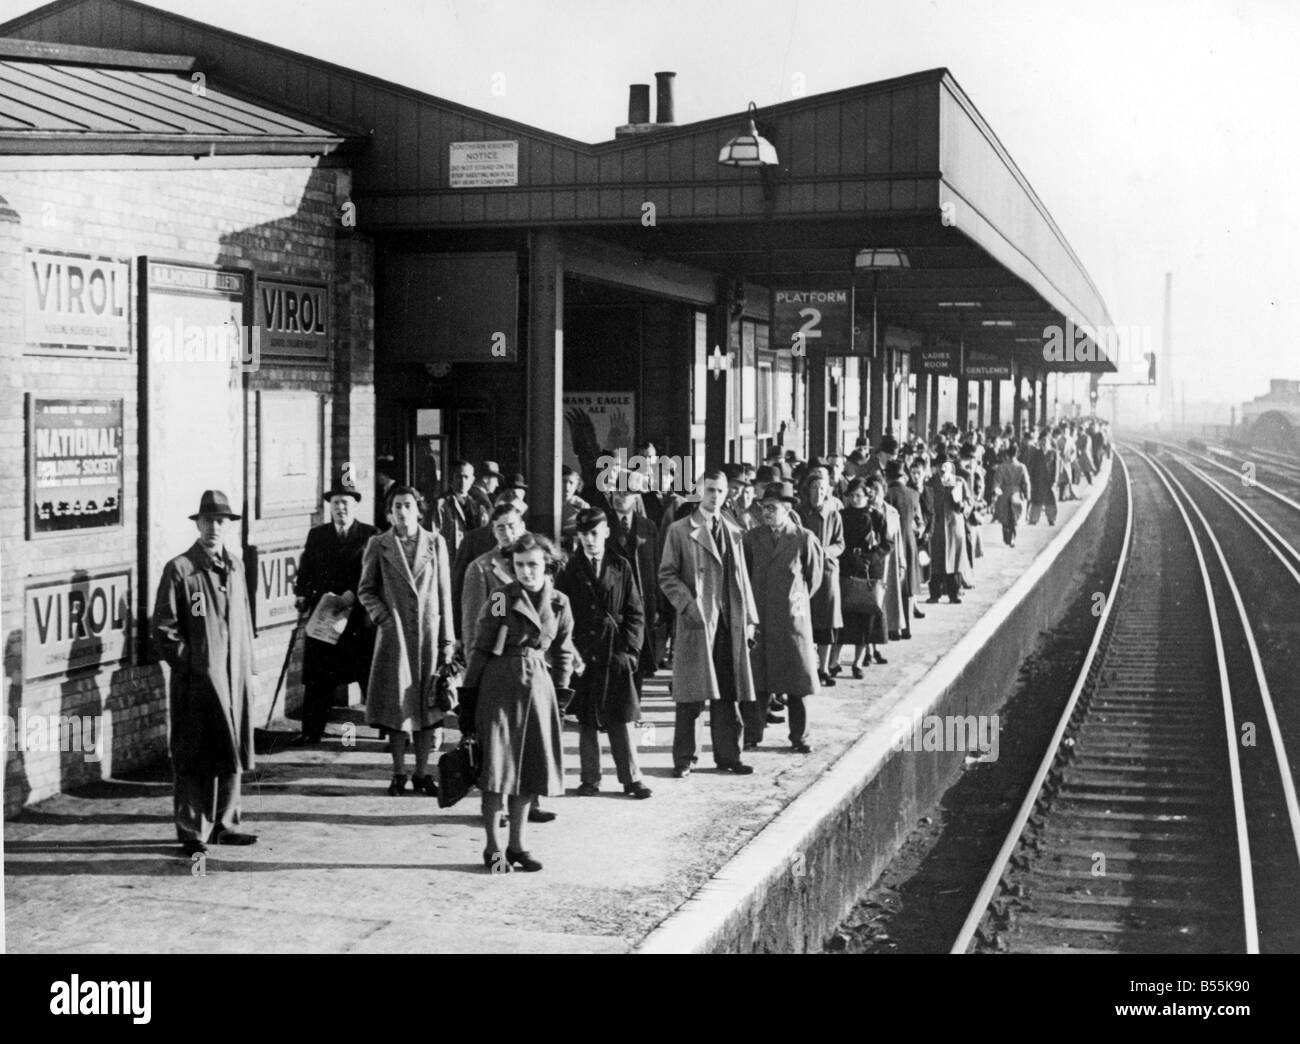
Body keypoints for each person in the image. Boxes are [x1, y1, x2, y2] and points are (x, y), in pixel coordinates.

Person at [152, 490, 259, 856]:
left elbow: (244, 618)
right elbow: (164, 629)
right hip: (197, 681)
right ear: (197, 524)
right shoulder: (181, 569)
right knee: (194, 753)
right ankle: (192, 829)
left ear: (228, 526)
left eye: (221, 521)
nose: (214, 527)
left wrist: (249, 666)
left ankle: (226, 823)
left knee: (231, 749)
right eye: (208, 520)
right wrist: (193, 664)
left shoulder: (236, 565)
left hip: (233, 676)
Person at [461, 533, 576, 873]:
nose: (527, 572)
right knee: (496, 772)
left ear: (547, 565)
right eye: (521, 565)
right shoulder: (500, 597)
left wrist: (561, 695)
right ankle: (493, 850)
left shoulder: (559, 602)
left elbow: (564, 652)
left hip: (539, 688)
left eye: (534, 565)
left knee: (528, 770)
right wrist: (468, 696)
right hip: (499, 685)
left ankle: (518, 846)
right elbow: (481, 646)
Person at [658, 468, 759, 777]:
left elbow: (742, 578)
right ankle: (685, 759)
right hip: (699, 621)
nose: (716, 496)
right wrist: (687, 605)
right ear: (700, 492)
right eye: (711, 490)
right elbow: (666, 575)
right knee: (691, 693)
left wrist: (751, 619)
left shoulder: (733, 529)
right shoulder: (680, 529)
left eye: (721, 490)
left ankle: (729, 755)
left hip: (729, 621)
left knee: (728, 691)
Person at [359, 485, 456, 797]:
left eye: (408, 505)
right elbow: (366, 590)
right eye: (396, 506)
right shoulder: (379, 544)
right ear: (389, 512)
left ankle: (422, 772)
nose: (402, 511)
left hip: (428, 636)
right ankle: (398, 772)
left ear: (418, 509)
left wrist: (447, 640)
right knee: (397, 708)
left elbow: (444, 594)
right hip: (396, 639)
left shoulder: (435, 542)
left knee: (428, 709)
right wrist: (385, 620)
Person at [558, 509, 651, 799]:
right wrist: (570, 653)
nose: (589, 539)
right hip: (583, 655)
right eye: (583, 534)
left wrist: (631, 652)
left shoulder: (620, 565)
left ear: (606, 532)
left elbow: (636, 611)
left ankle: (632, 779)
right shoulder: (569, 569)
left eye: (594, 533)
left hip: (615, 652)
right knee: (587, 720)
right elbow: (559, 611)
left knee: (620, 718)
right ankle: (590, 779)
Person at [292, 472, 378, 745]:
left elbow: (375, 573)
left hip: (357, 616)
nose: (341, 508)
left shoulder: (370, 535)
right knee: (318, 676)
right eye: (336, 503)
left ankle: (386, 727)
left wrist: (354, 593)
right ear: (330, 506)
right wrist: (303, 595)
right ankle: (311, 730)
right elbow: (305, 572)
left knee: (369, 674)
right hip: (326, 615)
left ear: (355, 506)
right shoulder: (317, 535)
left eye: (346, 503)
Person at [742, 480, 822, 752]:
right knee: (758, 682)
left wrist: (794, 603)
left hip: (792, 622)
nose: (766, 512)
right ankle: (752, 735)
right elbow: (745, 575)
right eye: (764, 507)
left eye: (772, 508)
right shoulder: (752, 539)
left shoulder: (804, 538)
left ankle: (800, 738)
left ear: (787, 509)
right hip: (761, 621)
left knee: (797, 682)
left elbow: (813, 579)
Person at [838, 478, 890, 676]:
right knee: (844, 614)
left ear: (867, 496)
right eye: (851, 495)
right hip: (847, 567)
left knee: (865, 616)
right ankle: (835, 659)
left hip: (869, 569)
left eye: (858, 495)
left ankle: (858, 663)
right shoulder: (841, 516)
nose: (854, 499)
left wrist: (871, 558)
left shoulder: (876, 516)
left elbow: (887, 543)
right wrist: (849, 557)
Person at [608, 488, 661, 681]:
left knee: (639, 654)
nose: (619, 497)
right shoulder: (603, 523)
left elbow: (656, 566)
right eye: (616, 493)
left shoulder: (649, 527)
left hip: (643, 597)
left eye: (625, 493)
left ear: (636, 497)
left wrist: (658, 605)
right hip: (615, 598)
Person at [798, 468, 845, 686]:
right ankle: (807, 665)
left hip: (826, 572)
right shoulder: (799, 513)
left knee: (827, 621)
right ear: (808, 490)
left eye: (822, 489)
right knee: (804, 619)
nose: (818, 493)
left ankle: (824, 667)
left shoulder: (834, 514)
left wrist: (825, 552)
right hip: (803, 572)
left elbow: (840, 543)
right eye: (815, 488)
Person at [884, 460, 924, 636]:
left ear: (888, 476)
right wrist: (917, 531)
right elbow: (920, 522)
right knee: (908, 586)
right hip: (910, 543)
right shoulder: (913, 494)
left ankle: (894, 629)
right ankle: (907, 628)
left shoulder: (886, 494)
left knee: (893, 585)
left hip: (892, 542)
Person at [926, 459, 969, 604]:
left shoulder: (959, 482)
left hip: (954, 526)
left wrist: (962, 504)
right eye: (940, 468)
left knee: (954, 562)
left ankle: (954, 593)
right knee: (936, 562)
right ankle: (935, 594)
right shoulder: (930, 483)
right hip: (937, 527)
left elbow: (969, 504)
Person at [433, 460, 488, 563]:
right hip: (449, 561)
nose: (463, 481)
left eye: (466, 477)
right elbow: (433, 537)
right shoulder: (441, 504)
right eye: (459, 476)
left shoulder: (476, 505)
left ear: (472, 480)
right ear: (452, 478)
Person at [992, 442, 1031, 547]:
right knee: (1014, 516)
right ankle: (1013, 537)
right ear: (1017, 454)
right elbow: (1026, 482)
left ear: (1007, 454)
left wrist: (995, 492)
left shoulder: (1001, 467)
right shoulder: (1022, 467)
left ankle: (1006, 536)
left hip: (1004, 493)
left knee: (1004, 516)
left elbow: (997, 482)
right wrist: (1027, 495)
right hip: (1016, 493)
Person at [1025, 430, 1060, 526]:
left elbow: (1056, 468)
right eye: (1042, 441)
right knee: (1036, 501)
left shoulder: (1054, 453)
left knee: (1051, 501)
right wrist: (1031, 479)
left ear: (1049, 443)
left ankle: (1052, 519)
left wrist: (1055, 481)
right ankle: (1033, 519)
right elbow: (1031, 466)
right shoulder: (1036, 453)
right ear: (1040, 442)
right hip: (1038, 481)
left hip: (1049, 481)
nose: (1044, 443)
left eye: (1046, 441)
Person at [560, 465, 591, 546]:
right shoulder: (548, 501)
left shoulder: (582, 505)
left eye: (571, 483)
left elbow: (588, 529)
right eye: (563, 481)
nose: (567, 487)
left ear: (576, 486)